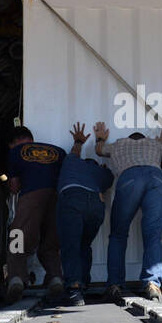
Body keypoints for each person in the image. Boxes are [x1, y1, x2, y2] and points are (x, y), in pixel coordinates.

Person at [94, 120, 162, 303]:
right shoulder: (155, 144)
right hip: (156, 178)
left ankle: (114, 284)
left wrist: (100, 138)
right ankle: (153, 283)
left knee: (118, 235)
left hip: (129, 178)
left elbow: (99, 150)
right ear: (145, 138)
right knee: (153, 236)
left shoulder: (118, 144)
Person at [3, 125, 65, 302]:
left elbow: (14, 187)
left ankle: (16, 278)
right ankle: (55, 278)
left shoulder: (15, 152)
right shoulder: (58, 152)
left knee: (17, 236)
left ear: (14, 143)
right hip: (57, 196)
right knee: (50, 243)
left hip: (32, 195)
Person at [56, 122, 115, 306]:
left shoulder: (72, 161)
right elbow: (109, 181)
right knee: (84, 245)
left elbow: (74, 152)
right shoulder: (100, 173)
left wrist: (79, 142)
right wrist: (104, 171)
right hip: (95, 206)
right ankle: (83, 285)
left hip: (73, 198)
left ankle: (74, 289)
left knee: (71, 245)